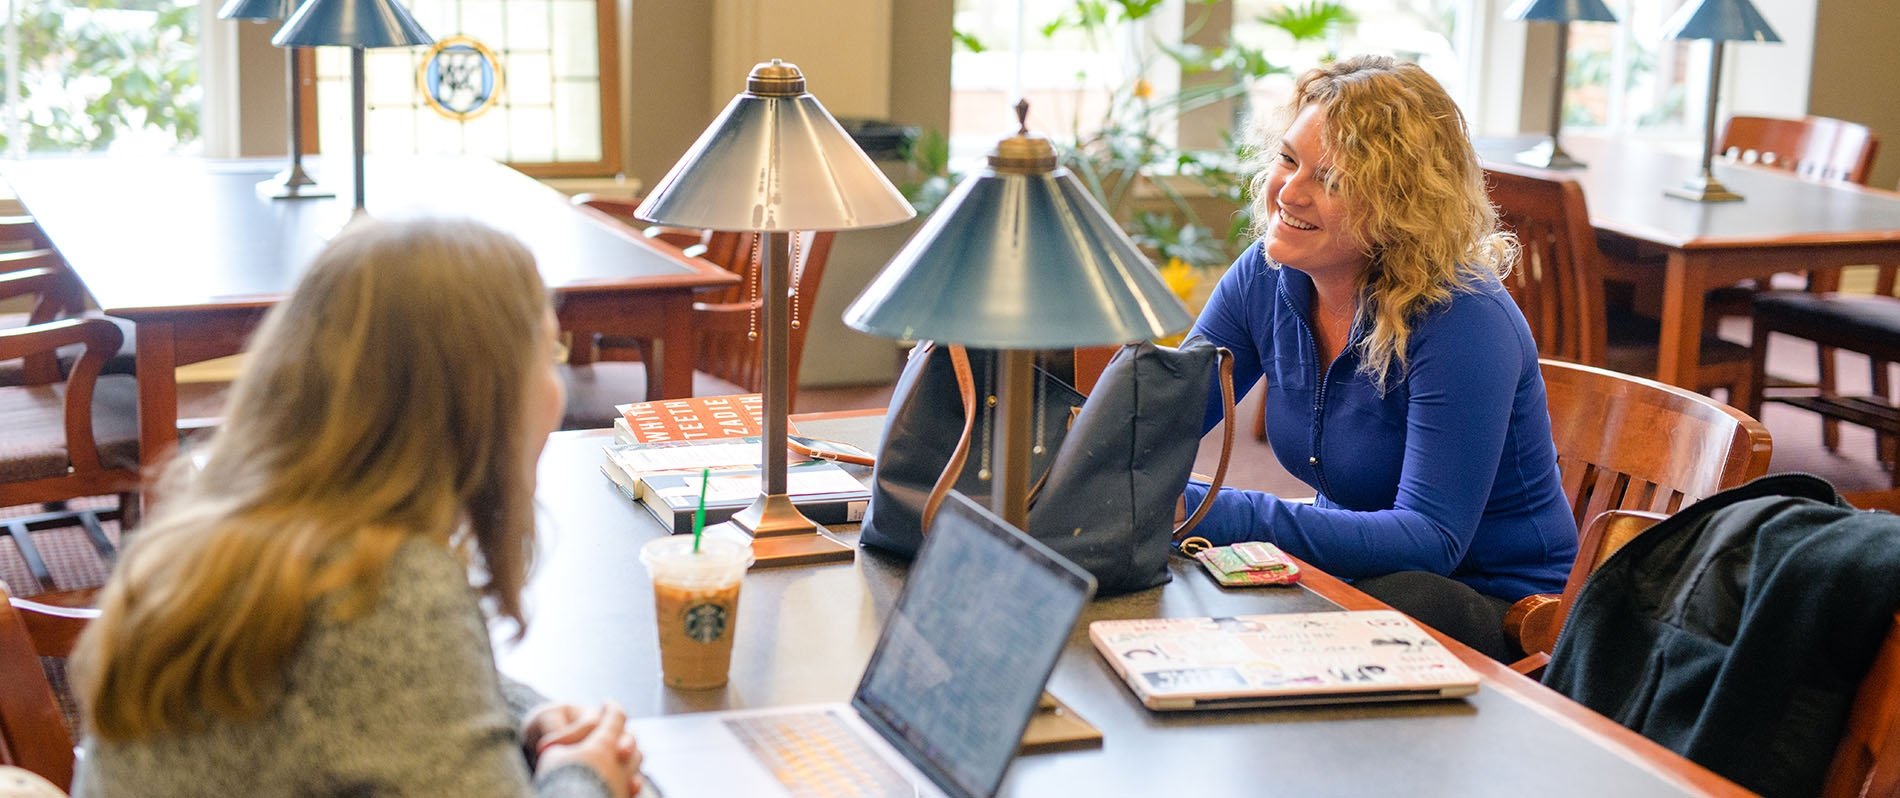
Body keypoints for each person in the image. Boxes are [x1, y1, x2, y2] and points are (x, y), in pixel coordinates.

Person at [70, 219, 644, 797]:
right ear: (473, 402)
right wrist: (584, 776)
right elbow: (373, 664)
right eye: (545, 356)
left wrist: (524, 715)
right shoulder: (387, 588)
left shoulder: (222, 525)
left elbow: (352, 691)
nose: (557, 390)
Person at [1181, 55, 1577, 661]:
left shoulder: (1462, 316)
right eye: (1289, 159)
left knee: (1297, 620)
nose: (1289, 191)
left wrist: (1211, 507)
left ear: (1401, 210)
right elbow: (1163, 422)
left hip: (1496, 611)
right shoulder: (1266, 274)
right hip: (1361, 574)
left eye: (1331, 181)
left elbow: (1429, 540)